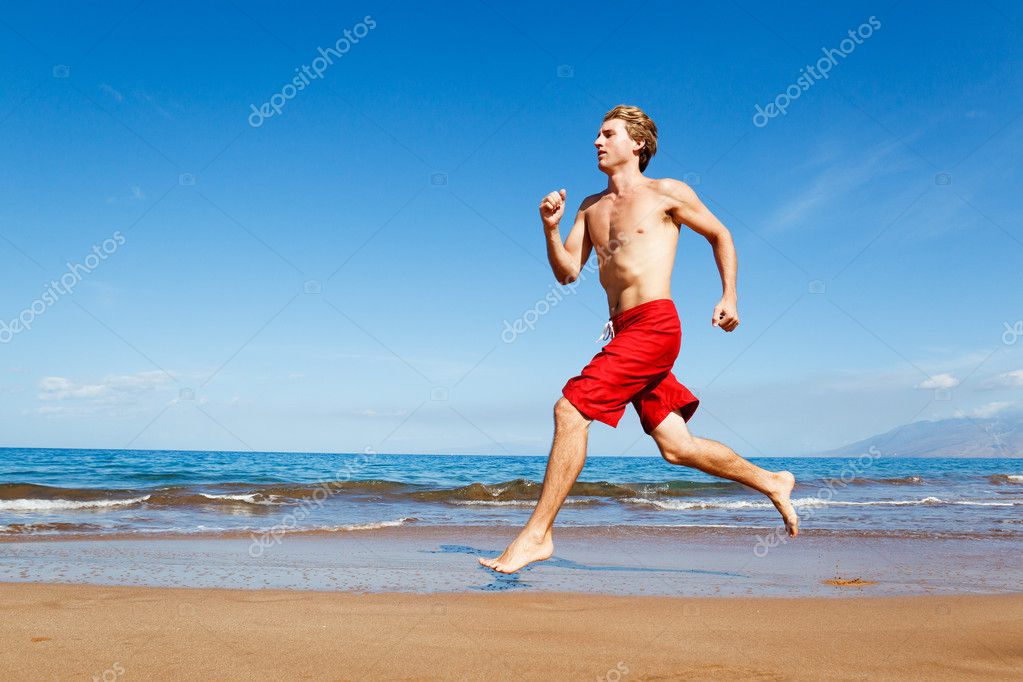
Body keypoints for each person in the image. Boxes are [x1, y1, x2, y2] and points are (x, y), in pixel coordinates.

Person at [478, 104, 799, 574]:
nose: (597, 142)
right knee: (677, 447)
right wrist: (549, 229)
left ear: (638, 144)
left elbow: (720, 234)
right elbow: (568, 273)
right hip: (623, 330)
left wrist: (729, 295)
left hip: (655, 325)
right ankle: (771, 481)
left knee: (570, 409)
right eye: (597, 135)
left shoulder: (666, 192)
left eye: (607, 134)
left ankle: (537, 535)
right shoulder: (590, 207)